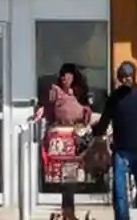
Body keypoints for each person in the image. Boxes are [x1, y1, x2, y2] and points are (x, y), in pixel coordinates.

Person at [93, 61, 137, 220]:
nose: (126, 80)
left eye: (129, 77)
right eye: (123, 77)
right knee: (119, 193)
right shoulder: (115, 98)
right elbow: (104, 120)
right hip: (120, 152)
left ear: (134, 76)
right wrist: (95, 134)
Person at [33, 63, 93, 220]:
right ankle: (66, 211)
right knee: (62, 179)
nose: (64, 78)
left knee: (71, 178)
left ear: (74, 77)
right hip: (60, 141)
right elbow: (48, 109)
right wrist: (41, 113)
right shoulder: (56, 92)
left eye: (67, 75)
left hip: (75, 140)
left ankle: (69, 211)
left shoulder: (80, 93)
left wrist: (86, 116)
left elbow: (87, 112)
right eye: (62, 75)